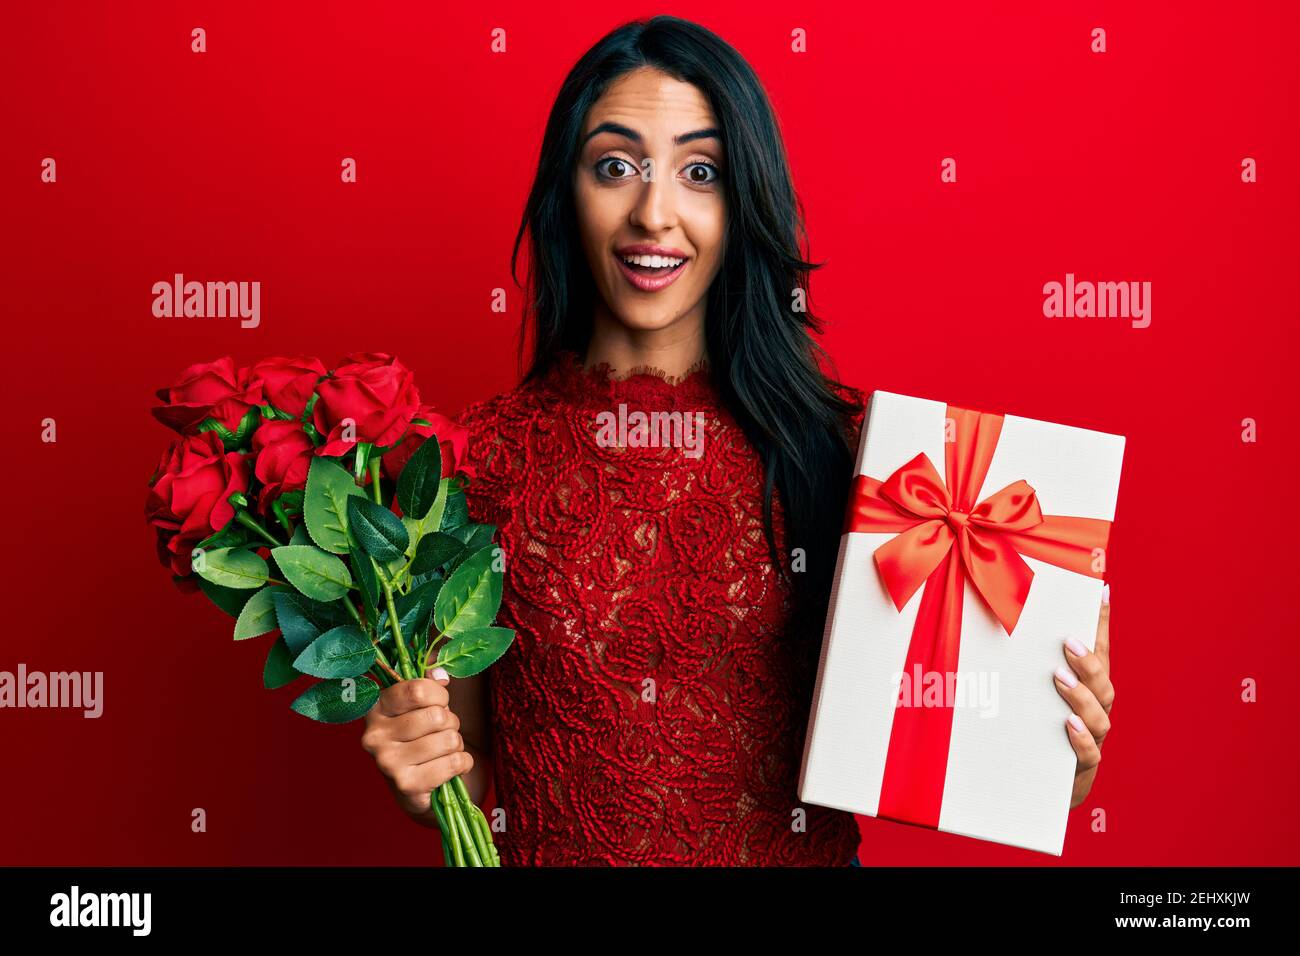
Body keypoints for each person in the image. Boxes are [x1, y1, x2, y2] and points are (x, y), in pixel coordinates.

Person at [359, 15, 1115, 866]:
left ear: (742, 196)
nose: (654, 211)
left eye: (700, 171)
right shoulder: (469, 468)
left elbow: (986, 754)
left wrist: (1058, 745)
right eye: (615, 166)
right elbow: (463, 772)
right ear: (566, 193)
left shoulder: (866, 462)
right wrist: (420, 775)